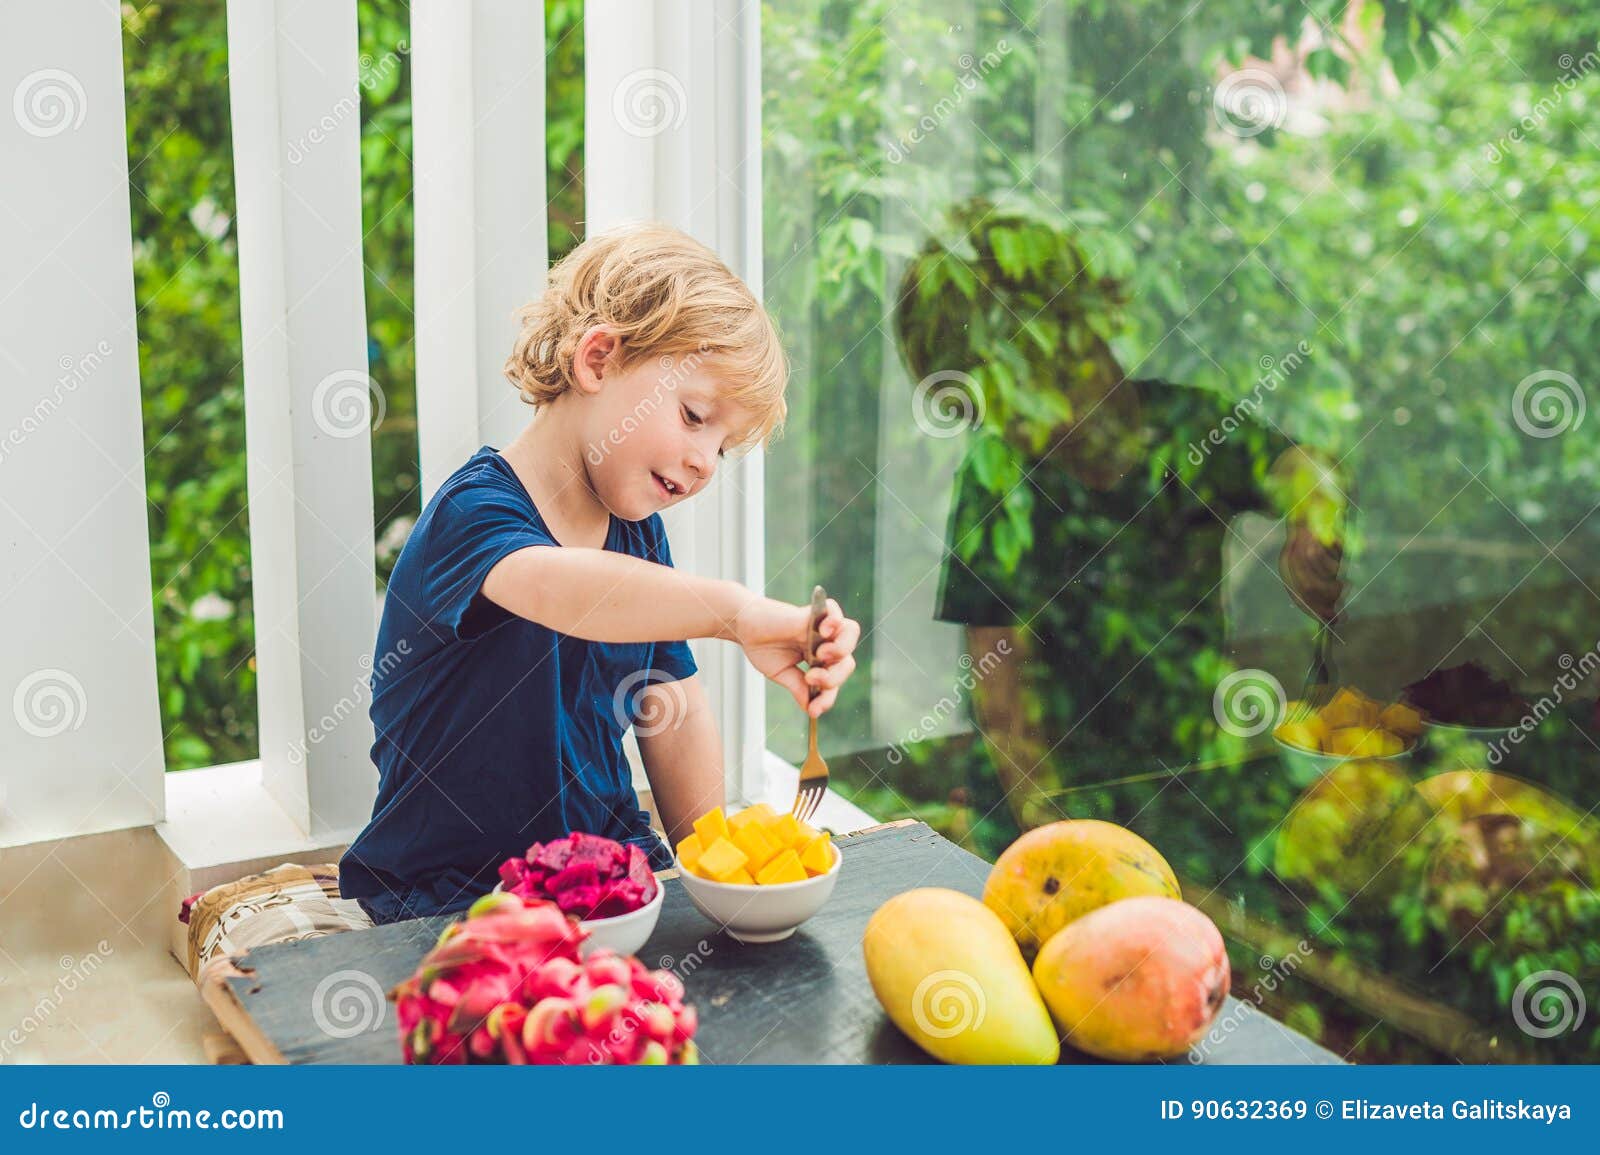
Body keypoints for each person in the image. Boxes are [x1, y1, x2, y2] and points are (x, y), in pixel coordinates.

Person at [340, 223, 861, 923]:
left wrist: (716, 870)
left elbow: (669, 706)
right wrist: (734, 613)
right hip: (450, 895)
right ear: (597, 360)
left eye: (724, 446)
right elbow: (564, 590)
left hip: (603, 882)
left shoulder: (640, 537)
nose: (706, 460)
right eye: (694, 415)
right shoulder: (474, 514)